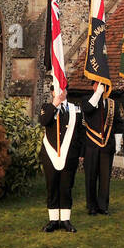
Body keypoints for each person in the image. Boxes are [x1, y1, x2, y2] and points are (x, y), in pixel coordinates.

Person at [39, 83, 82, 233]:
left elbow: (80, 132)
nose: (61, 92)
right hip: (50, 154)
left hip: (69, 155)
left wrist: (79, 153)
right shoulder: (47, 107)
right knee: (52, 186)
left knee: (66, 186)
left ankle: (65, 220)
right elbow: (44, 121)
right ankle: (53, 220)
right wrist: (54, 105)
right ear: (52, 92)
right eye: (57, 90)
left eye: (63, 89)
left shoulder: (75, 108)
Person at [82, 87, 116, 215]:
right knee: (90, 177)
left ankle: (103, 206)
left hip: (107, 145)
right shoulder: (87, 99)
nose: (101, 87)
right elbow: (88, 109)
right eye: (98, 84)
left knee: (105, 178)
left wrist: (115, 142)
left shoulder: (111, 103)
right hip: (91, 145)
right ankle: (91, 206)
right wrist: (97, 94)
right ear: (93, 86)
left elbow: (117, 124)